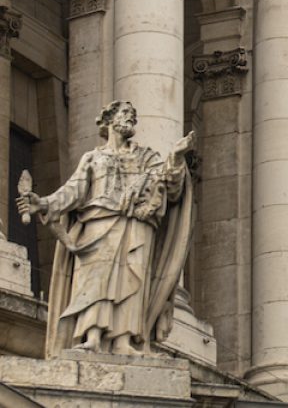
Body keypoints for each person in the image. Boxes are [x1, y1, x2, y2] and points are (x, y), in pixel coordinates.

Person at [16, 100, 194, 357]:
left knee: (132, 279)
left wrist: (176, 157)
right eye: (125, 113)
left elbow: (169, 186)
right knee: (94, 280)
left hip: (136, 224)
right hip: (98, 223)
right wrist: (43, 203)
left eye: (133, 115)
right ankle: (92, 336)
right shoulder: (93, 158)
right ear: (109, 120)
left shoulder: (147, 158)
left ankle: (123, 340)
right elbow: (73, 191)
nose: (131, 118)